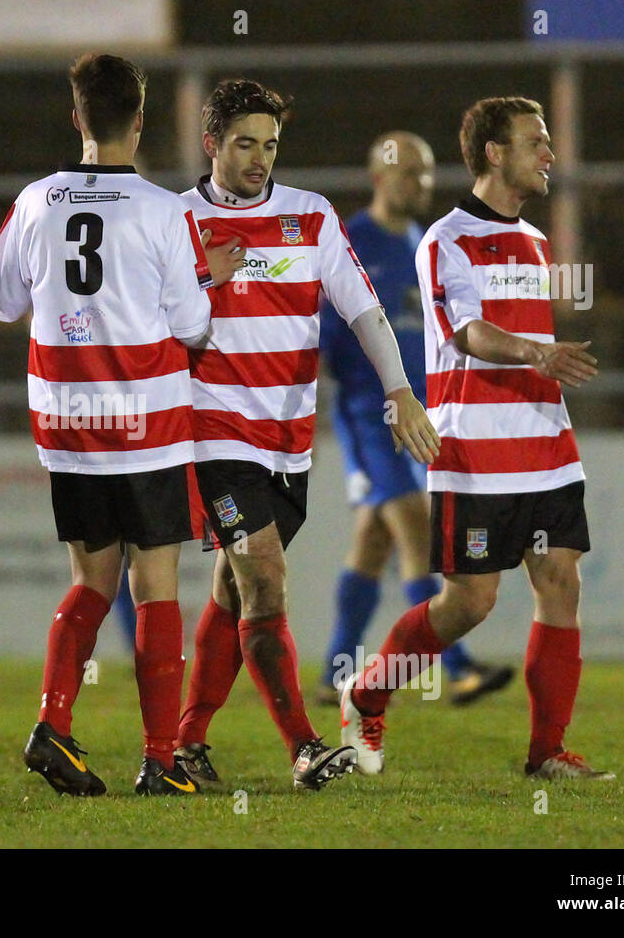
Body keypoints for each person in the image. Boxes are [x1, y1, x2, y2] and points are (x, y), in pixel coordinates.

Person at [173, 80, 440, 790]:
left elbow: (365, 312)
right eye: (244, 144)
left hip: (287, 442)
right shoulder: (173, 222)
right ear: (212, 145)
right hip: (213, 435)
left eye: (269, 145)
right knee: (265, 579)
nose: (259, 159)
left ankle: (185, 744)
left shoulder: (312, 218)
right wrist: (200, 278)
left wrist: (400, 392)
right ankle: (304, 746)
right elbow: (146, 325)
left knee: (235, 592)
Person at [340, 97, 612, 780]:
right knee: (471, 602)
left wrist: (541, 361)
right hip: (476, 453)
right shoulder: (448, 240)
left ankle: (545, 752)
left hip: (546, 444)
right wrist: (536, 352)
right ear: (494, 152)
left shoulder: (536, 242)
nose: (549, 154)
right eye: (535, 142)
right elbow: (467, 333)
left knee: (561, 583)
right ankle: (368, 691)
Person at [0, 53, 216, 797]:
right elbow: (194, 323)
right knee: (156, 590)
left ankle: (53, 722)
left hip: (70, 424)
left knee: (90, 582)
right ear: (140, 120)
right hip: (147, 421)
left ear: (76, 117)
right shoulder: (165, 210)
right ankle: (160, 757)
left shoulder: (36, 201)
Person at [316, 131, 513, 707]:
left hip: (423, 419)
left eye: (428, 174)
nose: (423, 184)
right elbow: (324, 341)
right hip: (370, 416)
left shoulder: (423, 244)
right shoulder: (349, 242)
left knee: (373, 543)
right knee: (417, 530)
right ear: (380, 177)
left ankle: (336, 672)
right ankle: (457, 668)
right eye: (411, 174)